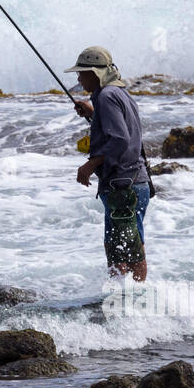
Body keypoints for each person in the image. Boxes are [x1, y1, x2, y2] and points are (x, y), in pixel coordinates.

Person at [67, 46, 152, 281]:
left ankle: (126, 302)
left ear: (95, 73)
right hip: (134, 182)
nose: (78, 78)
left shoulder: (106, 96)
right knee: (127, 247)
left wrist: (90, 165)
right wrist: (92, 113)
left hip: (124, 186)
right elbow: (123, 130)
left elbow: (120, 139)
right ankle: (127, 299)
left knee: (125, 252)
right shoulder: (118, 93)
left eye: (81, 73)